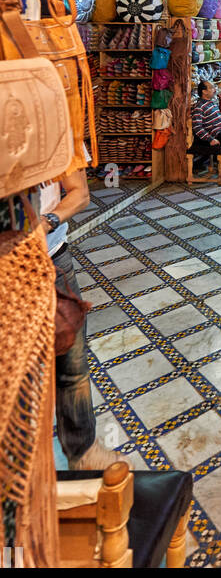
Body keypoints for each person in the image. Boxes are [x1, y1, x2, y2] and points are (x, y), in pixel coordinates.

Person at [39, 164, 126, 471]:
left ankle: (82, 450)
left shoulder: (57, 134)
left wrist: (47, 222)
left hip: (54, 257)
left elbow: (80, 193)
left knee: (72, 362)